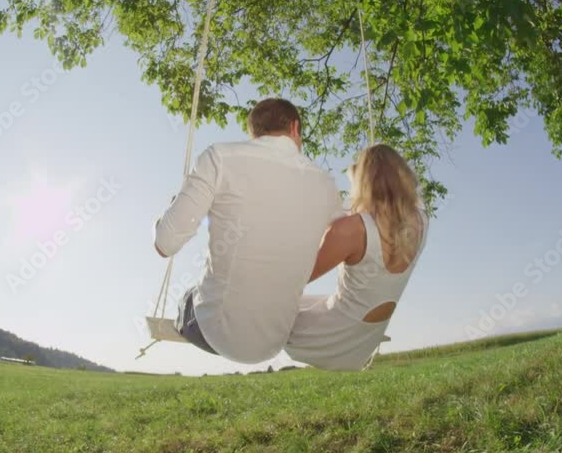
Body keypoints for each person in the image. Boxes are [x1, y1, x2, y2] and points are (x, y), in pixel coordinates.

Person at [153, 98, 344, 363]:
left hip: (215, 333)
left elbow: (165, 245)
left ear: (254, 131)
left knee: (187, 296)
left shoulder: (219, 157)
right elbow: (346, 239)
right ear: (295, 128)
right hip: (275, 340)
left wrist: (168, 212)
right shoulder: (325, 183)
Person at [285, 144, 429, 370]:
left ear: (362, 183)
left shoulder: (350, 230)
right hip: (363, 342)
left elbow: (295, 279)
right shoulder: (421, 220)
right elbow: (381, 216)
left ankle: (218, 331)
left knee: (271, 304)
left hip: (330, 339)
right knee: (300, 303)